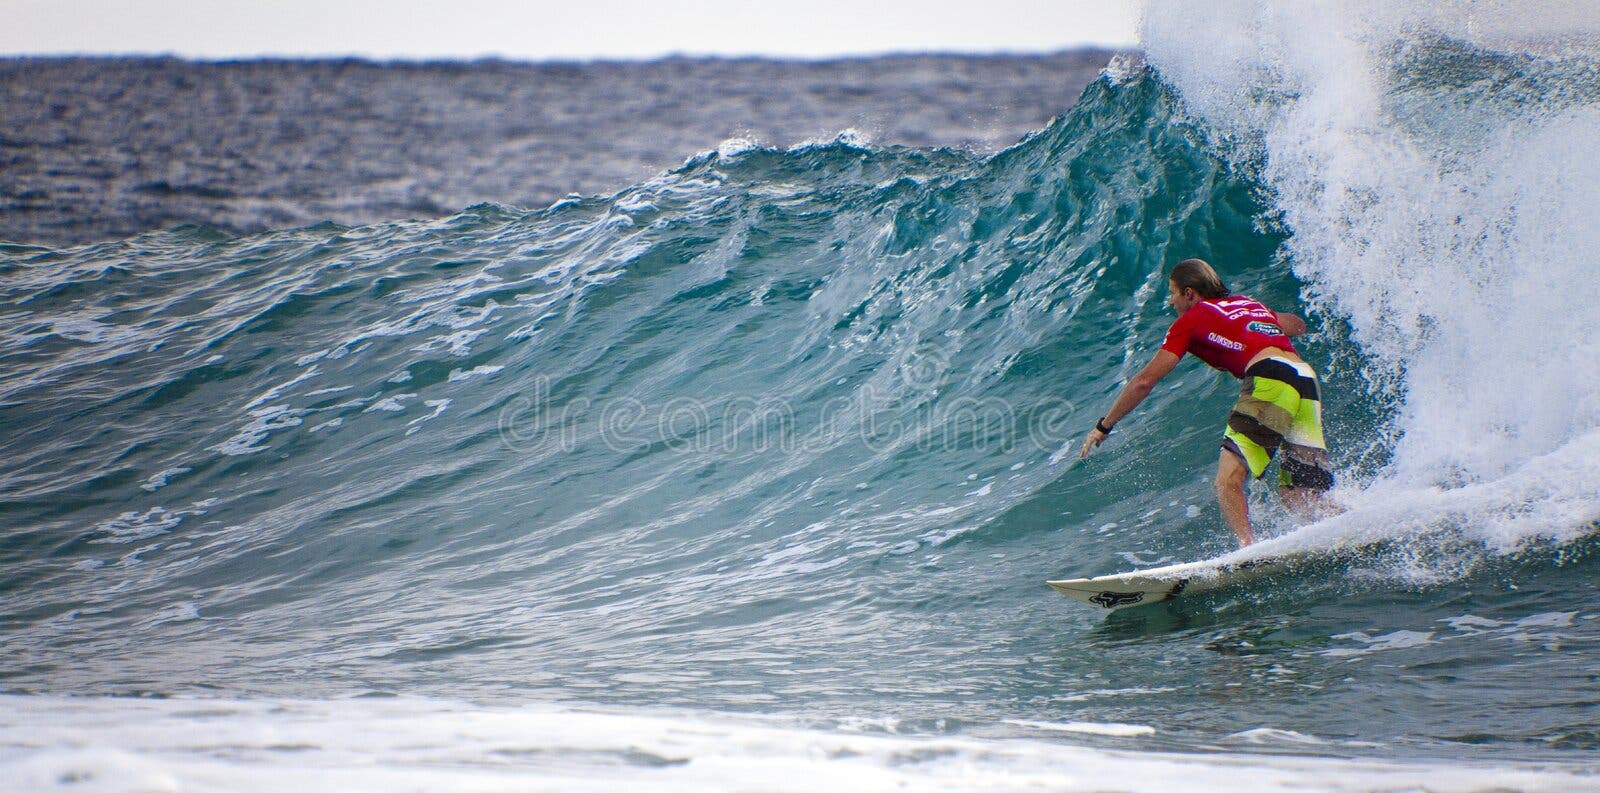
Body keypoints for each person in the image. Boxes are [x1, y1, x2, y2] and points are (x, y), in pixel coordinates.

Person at [1078, 258, 1336, 546]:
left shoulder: (1190, 320)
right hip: (1304, 378)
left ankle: (1247, 551)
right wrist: (1261, 319)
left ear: (1190, 293)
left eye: (1173, 293)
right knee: (1301, 497)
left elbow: (1143, 381)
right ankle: (1355, 526)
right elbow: (1296, 326)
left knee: (1227, 481)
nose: (1171, 301)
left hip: (1272, 377)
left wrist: (1104, 426)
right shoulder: (1246, 303)